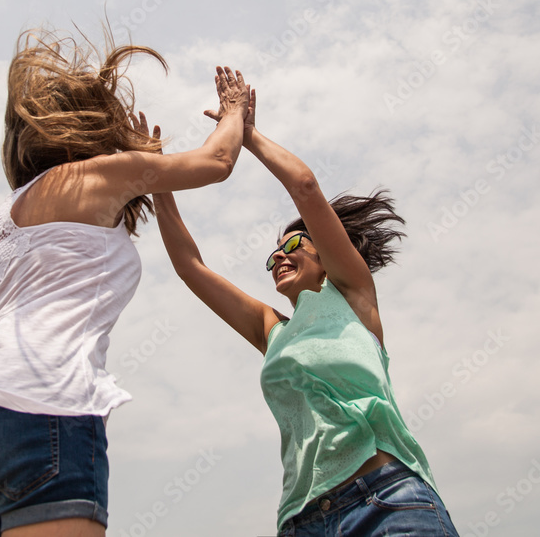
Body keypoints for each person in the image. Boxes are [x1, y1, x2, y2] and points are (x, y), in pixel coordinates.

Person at [0, 29, 252, 537]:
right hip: (39, 402)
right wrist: (234, 112)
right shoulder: (98, 174)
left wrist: (153, 175)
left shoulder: (4, 217)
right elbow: (217, 161)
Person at [147, 87, 459, 535]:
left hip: (386, 501)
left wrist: (247, 134)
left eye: (293, 244)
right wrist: (156, 177)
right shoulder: (271, 330)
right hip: (302, 520)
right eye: (273, 254)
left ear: (325, 258)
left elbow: (305, 187)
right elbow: (189, 266)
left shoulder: (352, 295)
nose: (279, 256)